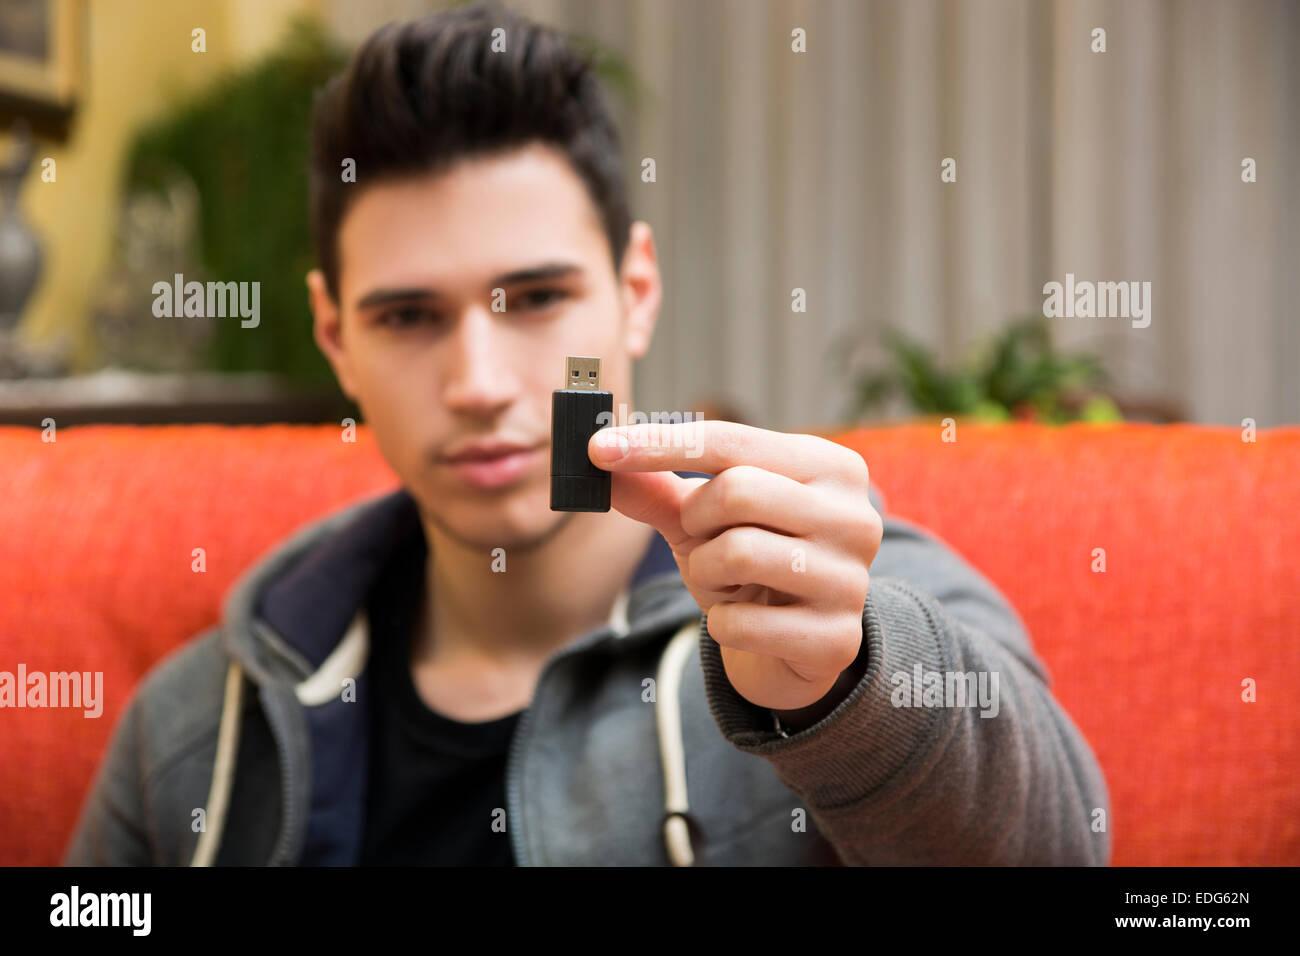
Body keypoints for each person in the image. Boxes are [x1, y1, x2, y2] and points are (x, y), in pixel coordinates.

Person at [64, 1, 1109, 866]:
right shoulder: (198, 725)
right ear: (334, 335)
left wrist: (849, 692)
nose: (477, 382)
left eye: (535, 295)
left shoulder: (842, 601)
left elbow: (1065, 851)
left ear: (635, 291)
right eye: (407, 316)